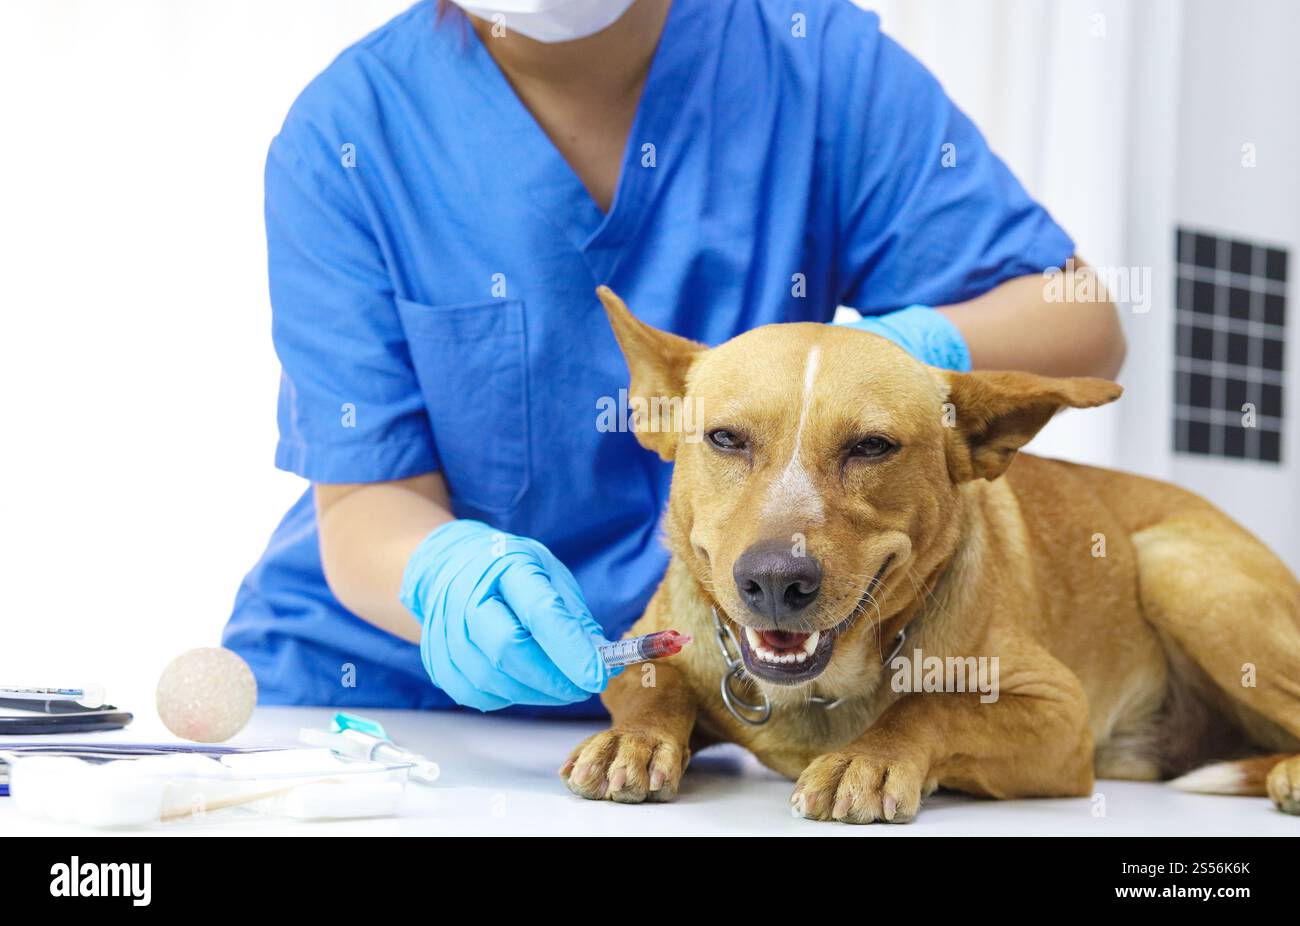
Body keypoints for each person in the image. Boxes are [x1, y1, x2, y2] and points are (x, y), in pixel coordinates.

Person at [223, 0, 1125, 714]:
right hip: (384, 692)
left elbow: (1077, 319)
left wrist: (889, 359)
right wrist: (447, 582)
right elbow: (363, 507)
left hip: (711, 687)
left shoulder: (812, 60)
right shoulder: (349, 134)